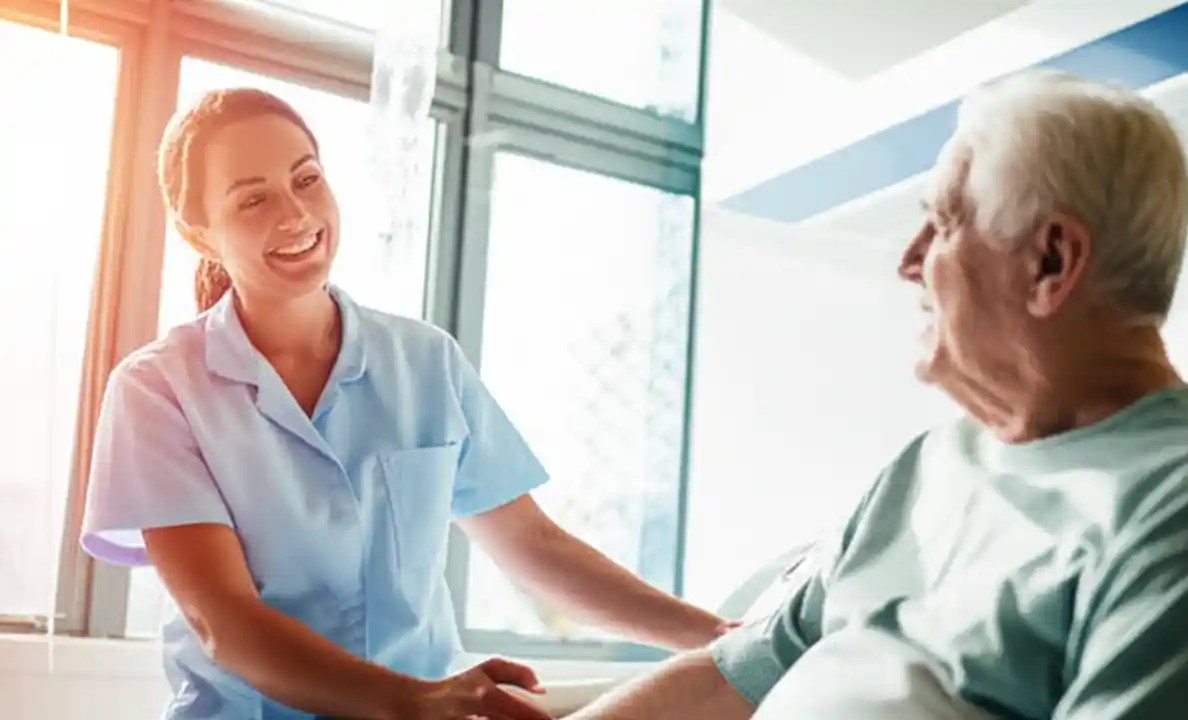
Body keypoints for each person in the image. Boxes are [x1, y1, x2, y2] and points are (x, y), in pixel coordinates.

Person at [568, 70, 1188, 719]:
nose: (908, 262)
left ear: (1051, 261)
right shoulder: (928, 466)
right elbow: (727, 680)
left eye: (941, 222)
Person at [80, 88, 733, 720]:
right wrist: (410, 703)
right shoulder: (158, 391)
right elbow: (224, 621)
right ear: (199, 233)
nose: (295, 215)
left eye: (306, 180)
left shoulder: (426, 362)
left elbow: (533, 545)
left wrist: (721, 639)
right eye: (253, 200)